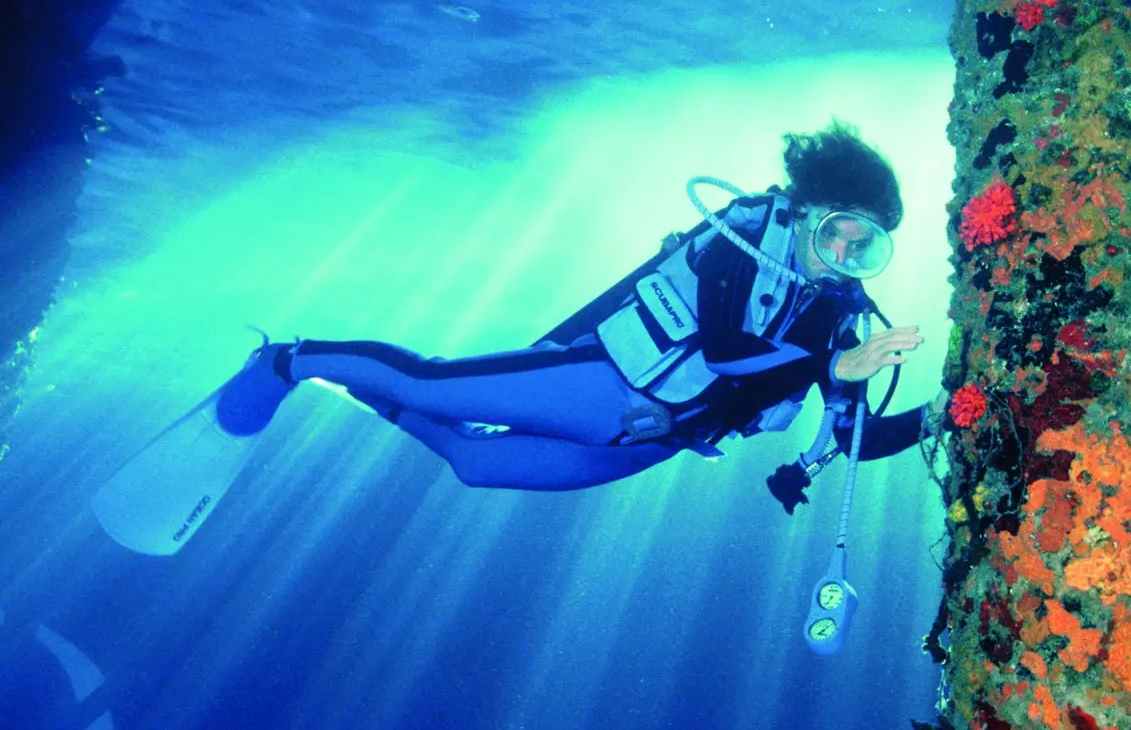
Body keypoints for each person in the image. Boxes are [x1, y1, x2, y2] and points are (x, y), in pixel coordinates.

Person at [213, 123, 930, 496]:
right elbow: (720, 350)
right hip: (604, 385)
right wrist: (834, 362)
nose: (844, 253)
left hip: (661, 438)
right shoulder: (741, 233)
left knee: (472, 463)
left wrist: (946, 415)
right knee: (434, 384)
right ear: (807, 207)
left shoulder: (837, 316)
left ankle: (356, 392)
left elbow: (854, 436)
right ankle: (287, 360)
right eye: (840, 228)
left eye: (865, 247)